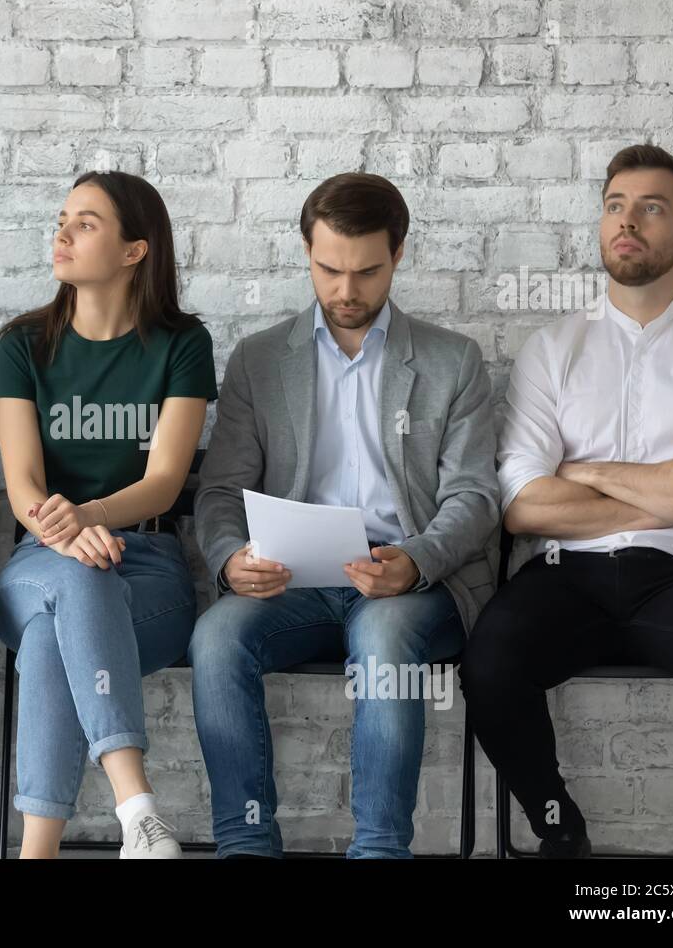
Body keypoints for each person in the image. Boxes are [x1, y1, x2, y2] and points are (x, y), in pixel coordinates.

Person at [190, 172, 499, 858]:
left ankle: (381, 849)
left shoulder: (453, 362)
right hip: (292, 579)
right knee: (216, 639)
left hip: (412, 582)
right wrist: (230, 558)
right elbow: (218, 492)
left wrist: (416, 559)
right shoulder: (260, 360)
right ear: (307, 252)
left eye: (367, 271)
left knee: (384, 642)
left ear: (400, 255)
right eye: (329, 269)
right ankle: (245, 844)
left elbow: (475, 498)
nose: (346, 291)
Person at [463, 144, 673, 859]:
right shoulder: (552, 348)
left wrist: (585, 472)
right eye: (616, 206)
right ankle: (562, 834)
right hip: (566, 574)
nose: (629, 222)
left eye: (652, 208)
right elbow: (525, 507)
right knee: (489, 659)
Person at [0, 171, 217, 858]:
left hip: (147, 568)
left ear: (133, 251)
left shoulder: (183, 345)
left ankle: (37, 854)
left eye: (86, 222)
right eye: (64, 217)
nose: (63, 232)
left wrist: (89, 515)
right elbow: (22, 479)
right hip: (38, 560)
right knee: (75, 582)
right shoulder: (23, 343)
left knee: (47, 644)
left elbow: (165, 481)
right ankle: (137, 807)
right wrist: (65, 533)